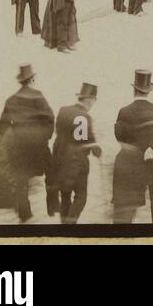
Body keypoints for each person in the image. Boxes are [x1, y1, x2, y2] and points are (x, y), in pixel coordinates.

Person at [112, 69, 153, 224]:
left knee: (128, 204)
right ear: (148, 91)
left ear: (133, 89)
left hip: (134, 165)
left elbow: (120, 136)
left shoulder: (125, 111)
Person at [0, 63, 54, 222]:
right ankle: (52, 207)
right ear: (32, 79)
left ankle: (25, 215)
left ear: (21, 81)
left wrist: (0, 143)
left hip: (19, 147)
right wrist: (44, 137)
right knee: (52, 173)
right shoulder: (38, 96)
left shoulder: (11, 100)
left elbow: (3, 125)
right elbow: (49, 119)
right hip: (38, 145)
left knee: (21, 182)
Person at [49, 82, 101, 224]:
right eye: (94, 101)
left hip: (60, 160)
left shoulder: (63, 110)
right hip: (78, 164)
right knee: (81, 196)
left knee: (65, 196)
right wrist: (97, 149)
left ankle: (64, 227)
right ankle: (70, 224)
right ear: (89, 100)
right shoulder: (86, 118)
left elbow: (58, 132)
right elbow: (86, 141)